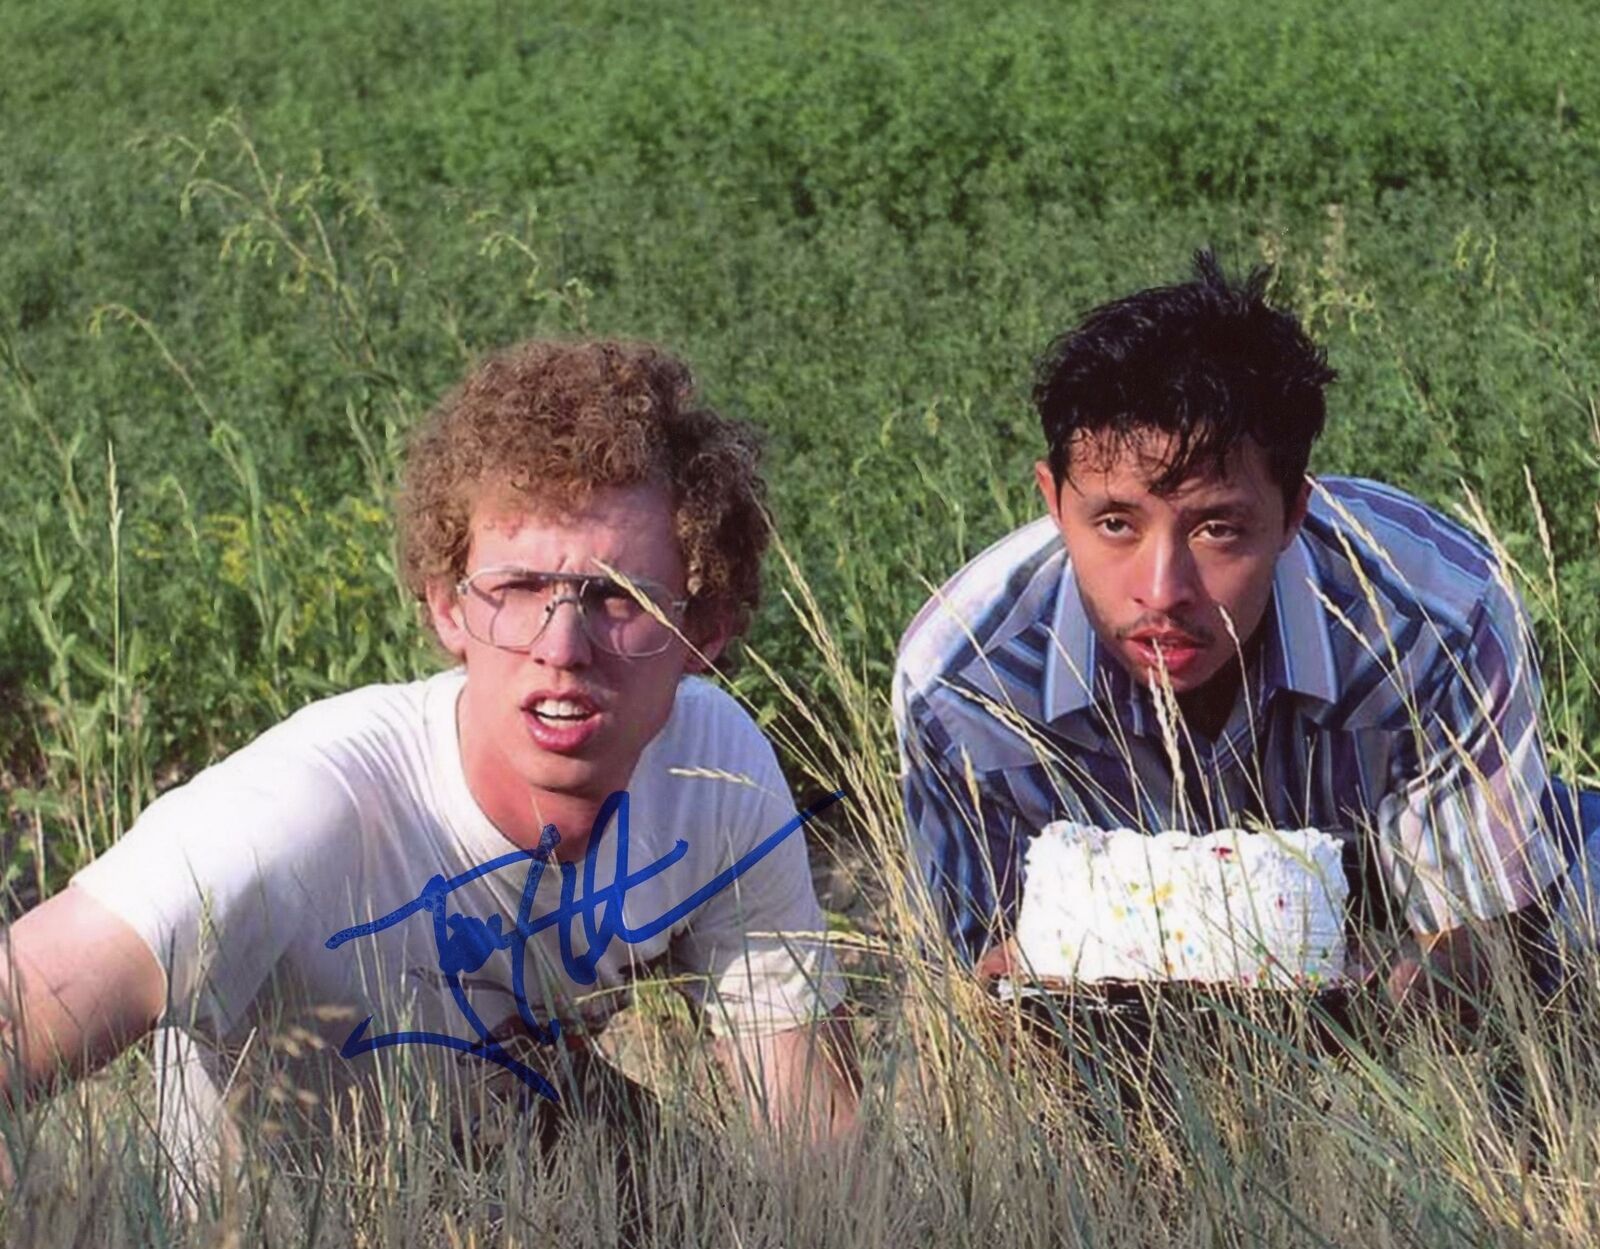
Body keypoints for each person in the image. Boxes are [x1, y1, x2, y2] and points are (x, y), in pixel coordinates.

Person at [0, 339, 858, 1201]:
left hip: (509, 1164)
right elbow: (30, 997)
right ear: (447, 607)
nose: (563, 647)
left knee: (692, 1191)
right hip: (272, 1216)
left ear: (702, 629)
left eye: (618, 596)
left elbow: (819, 1141)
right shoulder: (296, 814)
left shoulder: (714, 767)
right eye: (518, 588)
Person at [893, 250, 1592, 1010]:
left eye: (1217, 529)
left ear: (1294, 511)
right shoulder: (961, 684)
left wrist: (1342, 1019)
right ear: (1055, 502)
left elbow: (1482, 934)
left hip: (1392, 946)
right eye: (1116, 523)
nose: (1163, 592)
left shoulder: (1434, 619)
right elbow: (975, 973)